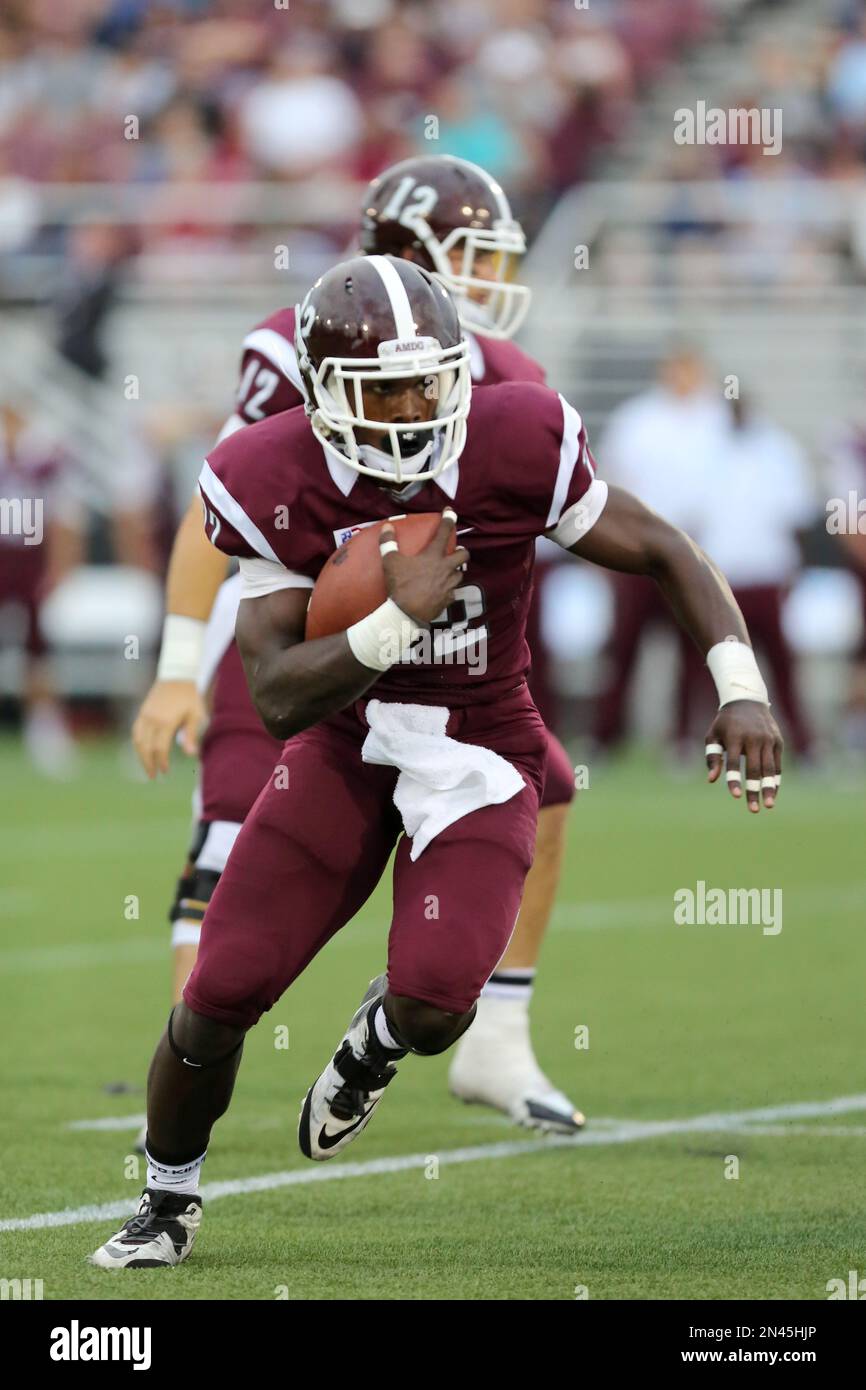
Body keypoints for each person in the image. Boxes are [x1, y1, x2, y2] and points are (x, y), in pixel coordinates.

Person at [91, 254, 781, 1269]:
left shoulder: (517, 433)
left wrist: (739, 686)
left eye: (434, 378)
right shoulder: (266, 472)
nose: (419, 406)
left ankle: (373, 1042)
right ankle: (167, 1196)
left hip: (479, 745)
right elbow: (279, 691)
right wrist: (393, 618)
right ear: (324, 392)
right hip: (342, 745)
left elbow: (664, 549)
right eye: (390, 388)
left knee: (433, 1000)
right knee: (218, 992)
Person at [132, 156, 583, 1137]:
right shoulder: (300, 348)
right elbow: (227, 508)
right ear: (408, 250)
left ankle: (493, 1032)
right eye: (473, 254)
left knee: (546, 783)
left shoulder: (499, 373)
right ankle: (187, 1070)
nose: (493, 275)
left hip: (432, 668)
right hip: (296, 637)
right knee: (227, 851)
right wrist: (174, 667)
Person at [591, 344, 728, 751]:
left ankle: (685, 737)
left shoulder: (718, 420)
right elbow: (611, 479)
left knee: (694, 648)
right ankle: (607, 737)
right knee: (624, 646)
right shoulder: (637, 419)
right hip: (638, 552)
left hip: (696, 553)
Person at [678, 394, 817, 755]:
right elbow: (688, 518)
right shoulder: (702, 450)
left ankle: (803, 743)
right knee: (705, 663)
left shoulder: (778, 450)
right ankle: (688, 741)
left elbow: (797, 515)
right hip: (720, 580)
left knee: (781, 664)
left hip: (766, 574)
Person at [0, 402, 83, 777]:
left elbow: (63, 512)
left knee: (37, 645)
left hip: (29, 553)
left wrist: (60, 566)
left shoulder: (44, 454)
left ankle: (44, 727)